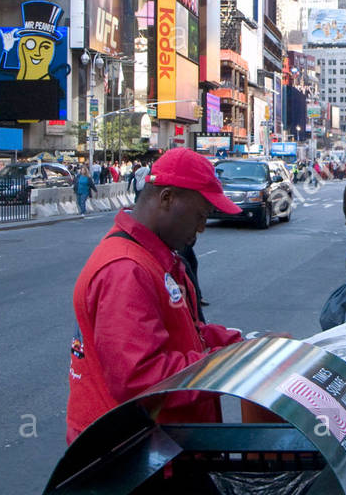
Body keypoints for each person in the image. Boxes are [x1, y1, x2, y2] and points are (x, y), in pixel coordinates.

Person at [66, 149, 244, 442]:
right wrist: (227, 365)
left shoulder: (158, 258)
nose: (201, 228)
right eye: (200, 216)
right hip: (130, 454)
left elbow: (187, 335)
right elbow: (141, 379)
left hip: (164, 445)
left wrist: (244, 345)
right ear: (166, 199)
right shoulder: (125, 269)